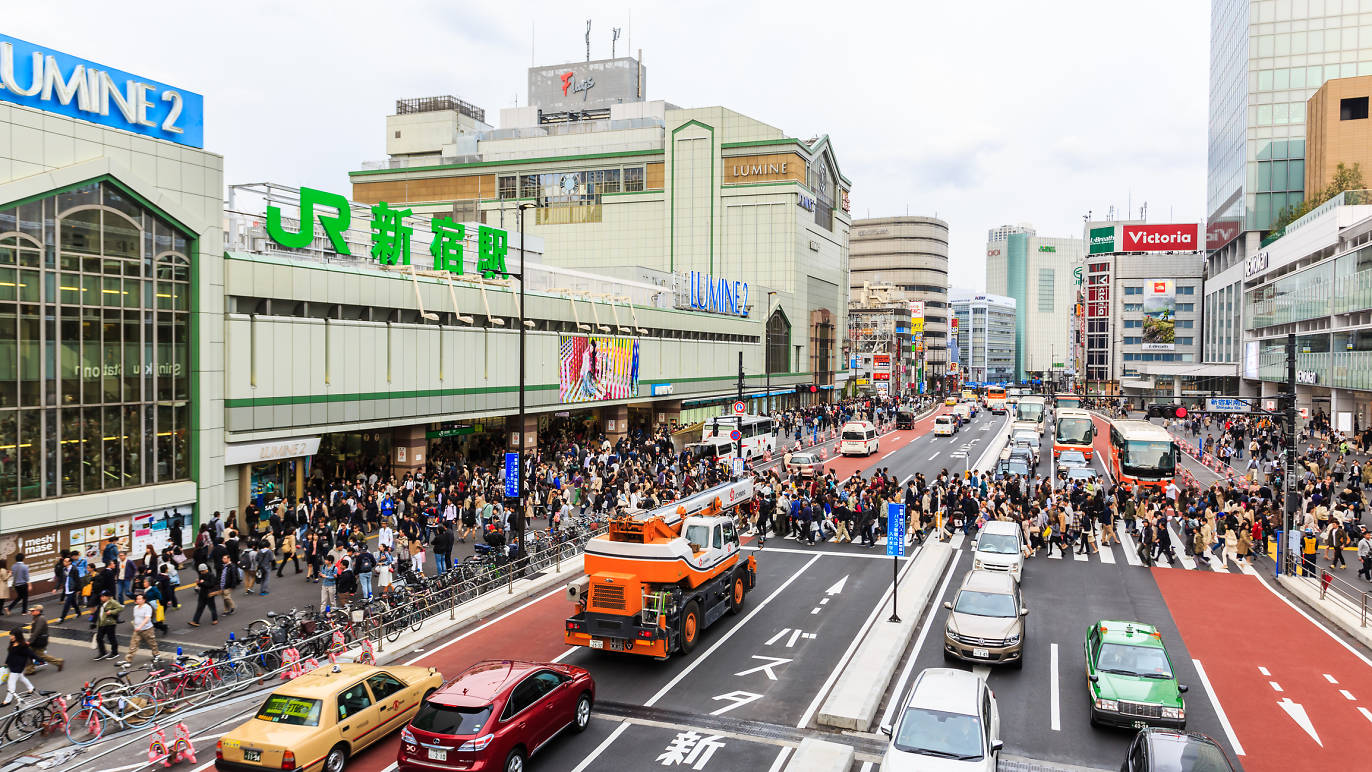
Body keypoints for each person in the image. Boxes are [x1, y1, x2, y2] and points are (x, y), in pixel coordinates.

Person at [2, 630, 40, 706]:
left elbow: (31, 654)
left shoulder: (23, 646)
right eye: (10, 635)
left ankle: (7, 700)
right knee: (21, 678)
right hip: (12, 666)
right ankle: (31, 688)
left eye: (12, 635)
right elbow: (10, 654)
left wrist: (40, 660)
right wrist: (6, 662)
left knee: (11, 683)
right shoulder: (12, 643)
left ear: (17, 636)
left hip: (18, 667)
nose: (10, 637)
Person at [22, 606, 62, 673]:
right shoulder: (36, 617)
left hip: (39, 640)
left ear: (38, 611)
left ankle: (58, 662)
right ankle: (30, 669)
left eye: (33, 611)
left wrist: (29, 641)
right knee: (28, 652)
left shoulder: (41, 619)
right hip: (36, 640)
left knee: (40, 655)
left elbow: (37, 631)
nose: (31, 612)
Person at [124, 593, 158, 664]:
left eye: (140, 599)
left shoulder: (147, 607)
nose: (138, 600)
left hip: (147, 629)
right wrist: (136, 625)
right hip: (137, 630)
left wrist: (140, 626)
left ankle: (156, 654)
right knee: (133, 644)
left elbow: (147, 618)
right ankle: (128, 660)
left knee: (152, 643)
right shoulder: (135, 608)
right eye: (137, 599)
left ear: (144, 600)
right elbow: (136, 617)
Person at [93, 589, 122, 661]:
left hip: (110, 623)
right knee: (99, 638)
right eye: (101, 596)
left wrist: (111, 611)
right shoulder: (101, 603)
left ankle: (115, 652)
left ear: (108, 597)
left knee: (111, 638)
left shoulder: (112, 602)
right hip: (102, 623)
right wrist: (94, 622)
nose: (101, 598)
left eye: (103, 596)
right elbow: (98, 613)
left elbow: (120, 608)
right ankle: (103, 652)